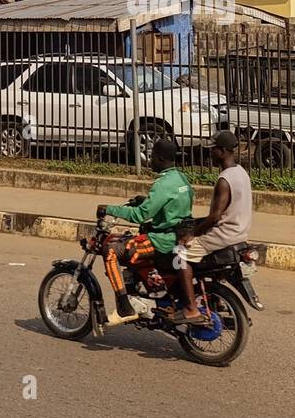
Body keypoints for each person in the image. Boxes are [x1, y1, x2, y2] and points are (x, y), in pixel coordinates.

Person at [97, 137, 192, 319]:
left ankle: (124, 304)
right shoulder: (181, 179)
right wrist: (146, 201)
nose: (151, 160)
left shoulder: (162, 184)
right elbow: (170, 207)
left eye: (153, 156)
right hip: (179, 233)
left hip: (162, 241)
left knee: (110, 250)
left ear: (161, 159)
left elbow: (139, 215)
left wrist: (108, 208)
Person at [172, 130, 252, 323]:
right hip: (240, 233)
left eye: (213, 149)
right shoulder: (241, 172)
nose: (210, 153)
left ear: (223, 151)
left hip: (224, 234)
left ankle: (191, 308)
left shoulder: (224, 180)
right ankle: (215, 298)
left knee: (179, 254)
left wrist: (191, 234)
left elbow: (215, 217)